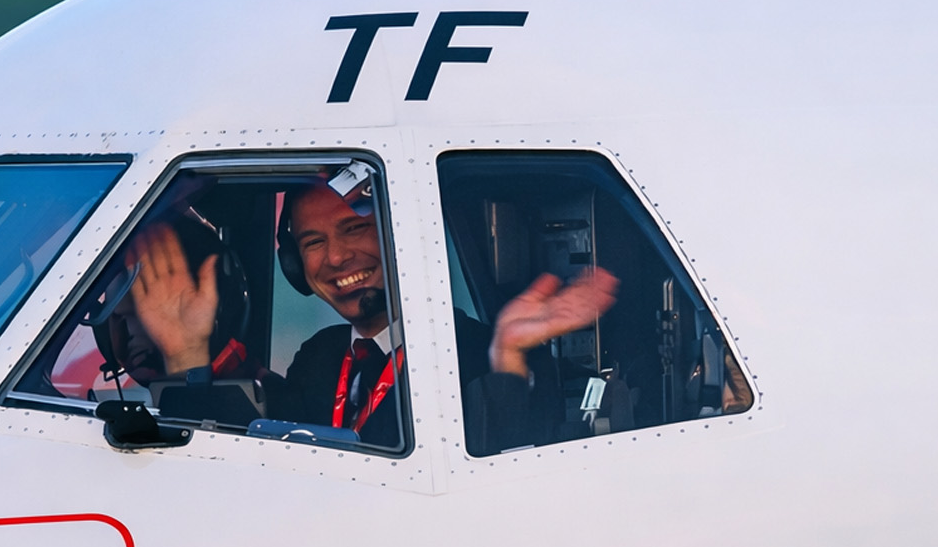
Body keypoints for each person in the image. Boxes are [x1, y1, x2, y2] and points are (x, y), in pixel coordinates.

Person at [125, 177, 619, 449]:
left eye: (354, 230)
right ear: (296, 267)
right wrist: (185, 349)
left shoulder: (473, 353)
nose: (336, 258)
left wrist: (507, 352)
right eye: (314, 243)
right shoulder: (318, 358)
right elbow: (241, 459)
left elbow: (501, 465)